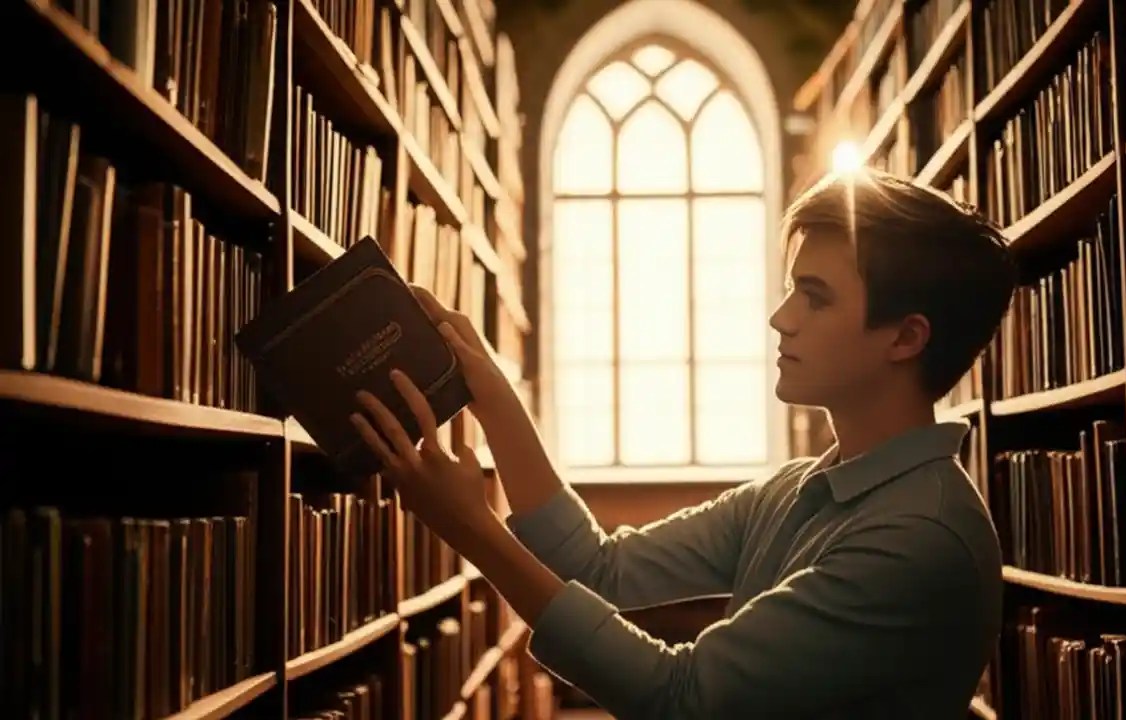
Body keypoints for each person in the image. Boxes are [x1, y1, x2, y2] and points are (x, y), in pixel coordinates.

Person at [350, 167, 1017, 719]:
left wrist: (473, 531)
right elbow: (600, 567)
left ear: (905, 338)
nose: (780, 317)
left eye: (814, 298)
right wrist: (493, 395)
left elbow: (684, 700)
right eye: (791, 289)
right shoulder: (795, 489)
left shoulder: (918, 539)